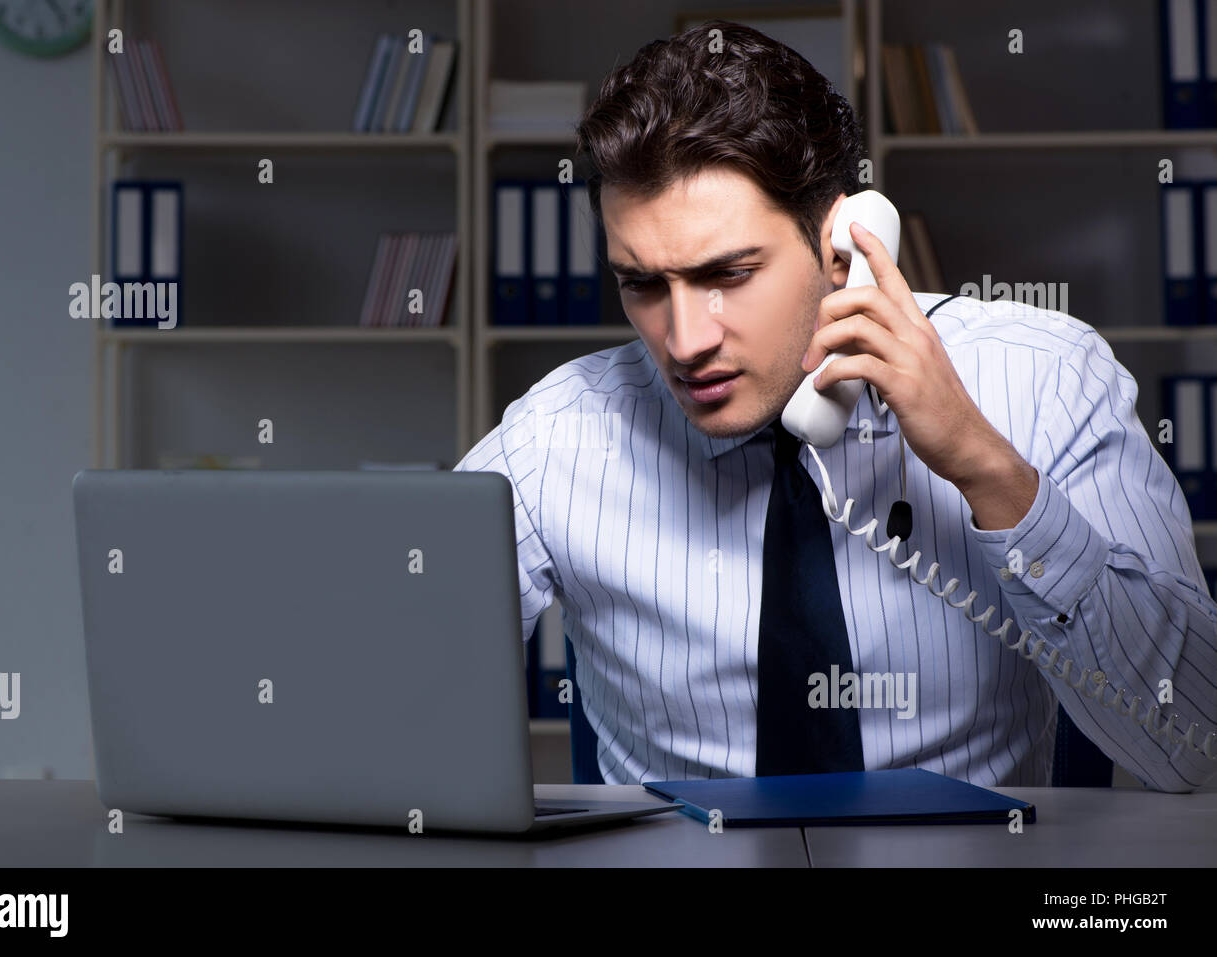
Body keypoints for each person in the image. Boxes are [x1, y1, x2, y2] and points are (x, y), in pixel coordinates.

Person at [454, 20, 1217, 791]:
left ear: (841, 245)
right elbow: (382, 678)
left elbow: (1195, 747)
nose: (684, 341)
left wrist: (987, 470)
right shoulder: (558, 438)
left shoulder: (1045, 378)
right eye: (643, 283)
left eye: (729, 273)